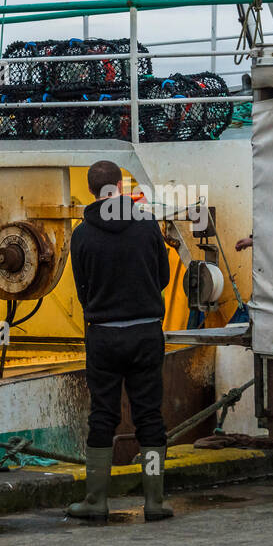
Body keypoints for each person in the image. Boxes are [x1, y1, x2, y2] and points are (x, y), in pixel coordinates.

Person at [66, 161, 173, 523]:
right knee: (149, 416)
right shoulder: (146, 224)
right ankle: (155, 502)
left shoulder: (81, 235)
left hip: (103, 334)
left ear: (92, 190)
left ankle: (95, 502)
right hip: (145, 332)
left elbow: (83, 290)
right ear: (120, 185)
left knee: (103, 415)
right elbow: (163, 275)